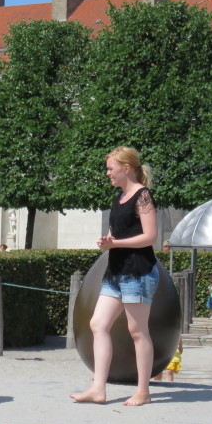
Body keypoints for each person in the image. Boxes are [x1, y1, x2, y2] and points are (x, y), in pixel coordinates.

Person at [71, 146, 158, 407]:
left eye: (111, 168)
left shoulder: (142, 195)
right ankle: (98, 388)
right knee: (98, 324)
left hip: (138, 271)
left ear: (126, 168)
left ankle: (143, 391)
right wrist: (108, 241)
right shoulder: (119, 198)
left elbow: (150, 237)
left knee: (138, 331)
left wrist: (115, 244)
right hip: (116, 271)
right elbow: (118, 234)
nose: (108, 173)